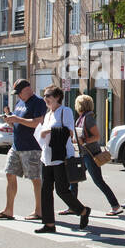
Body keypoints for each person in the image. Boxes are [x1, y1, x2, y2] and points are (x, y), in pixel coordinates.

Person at [33, 85, 90, 234]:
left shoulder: (65, 111)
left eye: (48, 95)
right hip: (47, 156)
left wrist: (48, 130)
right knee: (45, 191)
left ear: (57, 97)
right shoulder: (48, 114)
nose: (46, 98)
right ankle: (49, 224)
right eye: (44, 95)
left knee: (61, 190)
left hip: (60, 156)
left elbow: (69, 132)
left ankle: (83, 211)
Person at [0, 80, 45, 220]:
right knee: (9, 173)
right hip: (16, 146)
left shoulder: (38, 102)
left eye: (19, 93)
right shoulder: (19, 103)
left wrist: (16, 119)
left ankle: (39, 210)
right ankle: (8, 210)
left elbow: (37, 122)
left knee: (35, 178)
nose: (18, 96)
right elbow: (17, 124)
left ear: (28, 89)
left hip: (32, 147)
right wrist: (11, 121)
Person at [73, 94, 121, 215]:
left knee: (98, 181)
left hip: (90, 154)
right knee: (73, 179)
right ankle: (72, 206)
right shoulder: (81, 117)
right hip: (83, 153)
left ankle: (115, 206)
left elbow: (97, 136)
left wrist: (84, 140)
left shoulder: (88, 118)